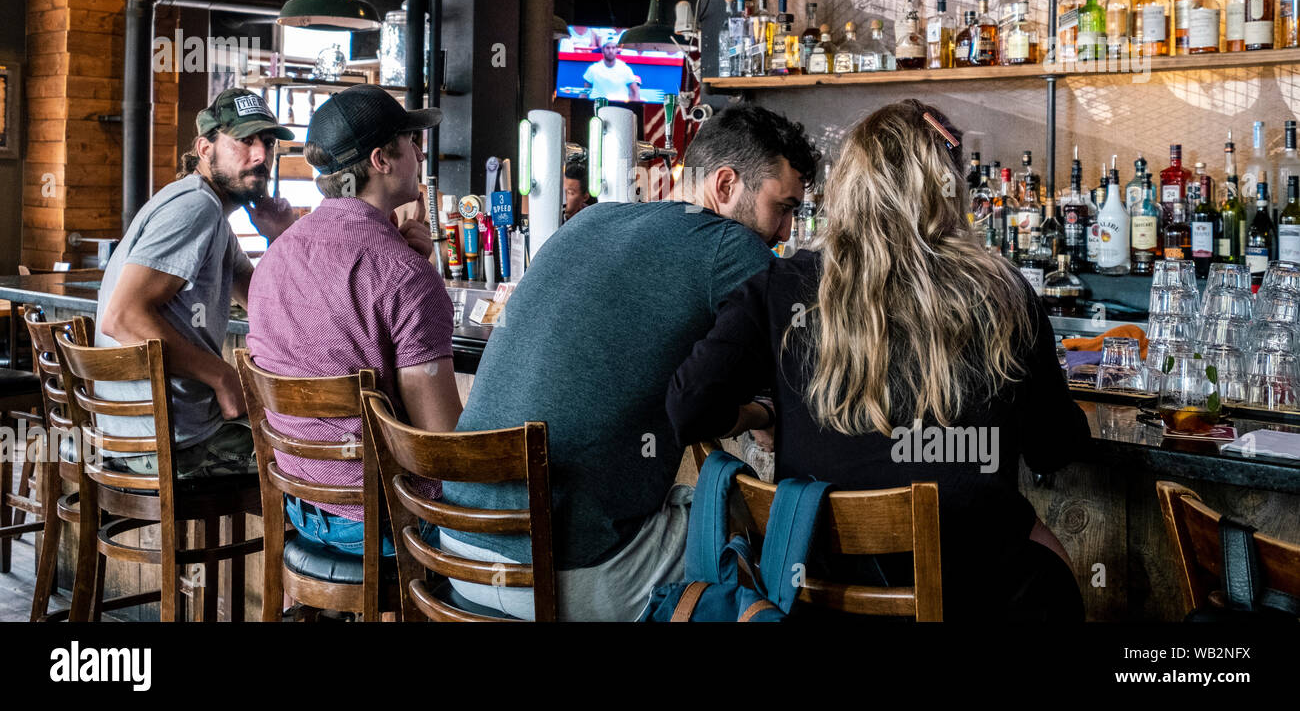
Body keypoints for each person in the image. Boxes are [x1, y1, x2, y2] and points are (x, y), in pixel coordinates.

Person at [667, 100, 1091, 621]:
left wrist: (762, 414)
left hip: (816, 587)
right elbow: (1055, 450)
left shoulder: (780, 287)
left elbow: (689, 408)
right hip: (974, 593)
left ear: (849, 185)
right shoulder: (1003, 292)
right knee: (1053, 564)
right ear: (949, 191)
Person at [442, 104, 818, 620]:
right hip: (568, 572)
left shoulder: (592, 219)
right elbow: (809, 363)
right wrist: (764, 416)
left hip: (456, 549)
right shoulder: (733, 247)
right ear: (726, 185)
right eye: (784, 208)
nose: (785, 232)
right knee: (754, 524)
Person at [246, 85, 460, 555]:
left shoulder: (275, 257)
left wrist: (400, 250)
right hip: (385, 521)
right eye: (412, 142)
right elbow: (440, 447)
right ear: (382, 159)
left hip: (300, 507)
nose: (421, 154)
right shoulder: (404, 276)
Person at [96, 89, 297, 477]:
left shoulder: (209, 211)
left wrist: (280, 236)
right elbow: (121, 318)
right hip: (168, 443)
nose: (261, 156)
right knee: (315, 460)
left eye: (268, 143)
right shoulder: (196, 208)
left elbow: (265, 303)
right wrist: (220, 376)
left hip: (142, 434)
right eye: (245, 141)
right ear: (206, 148)